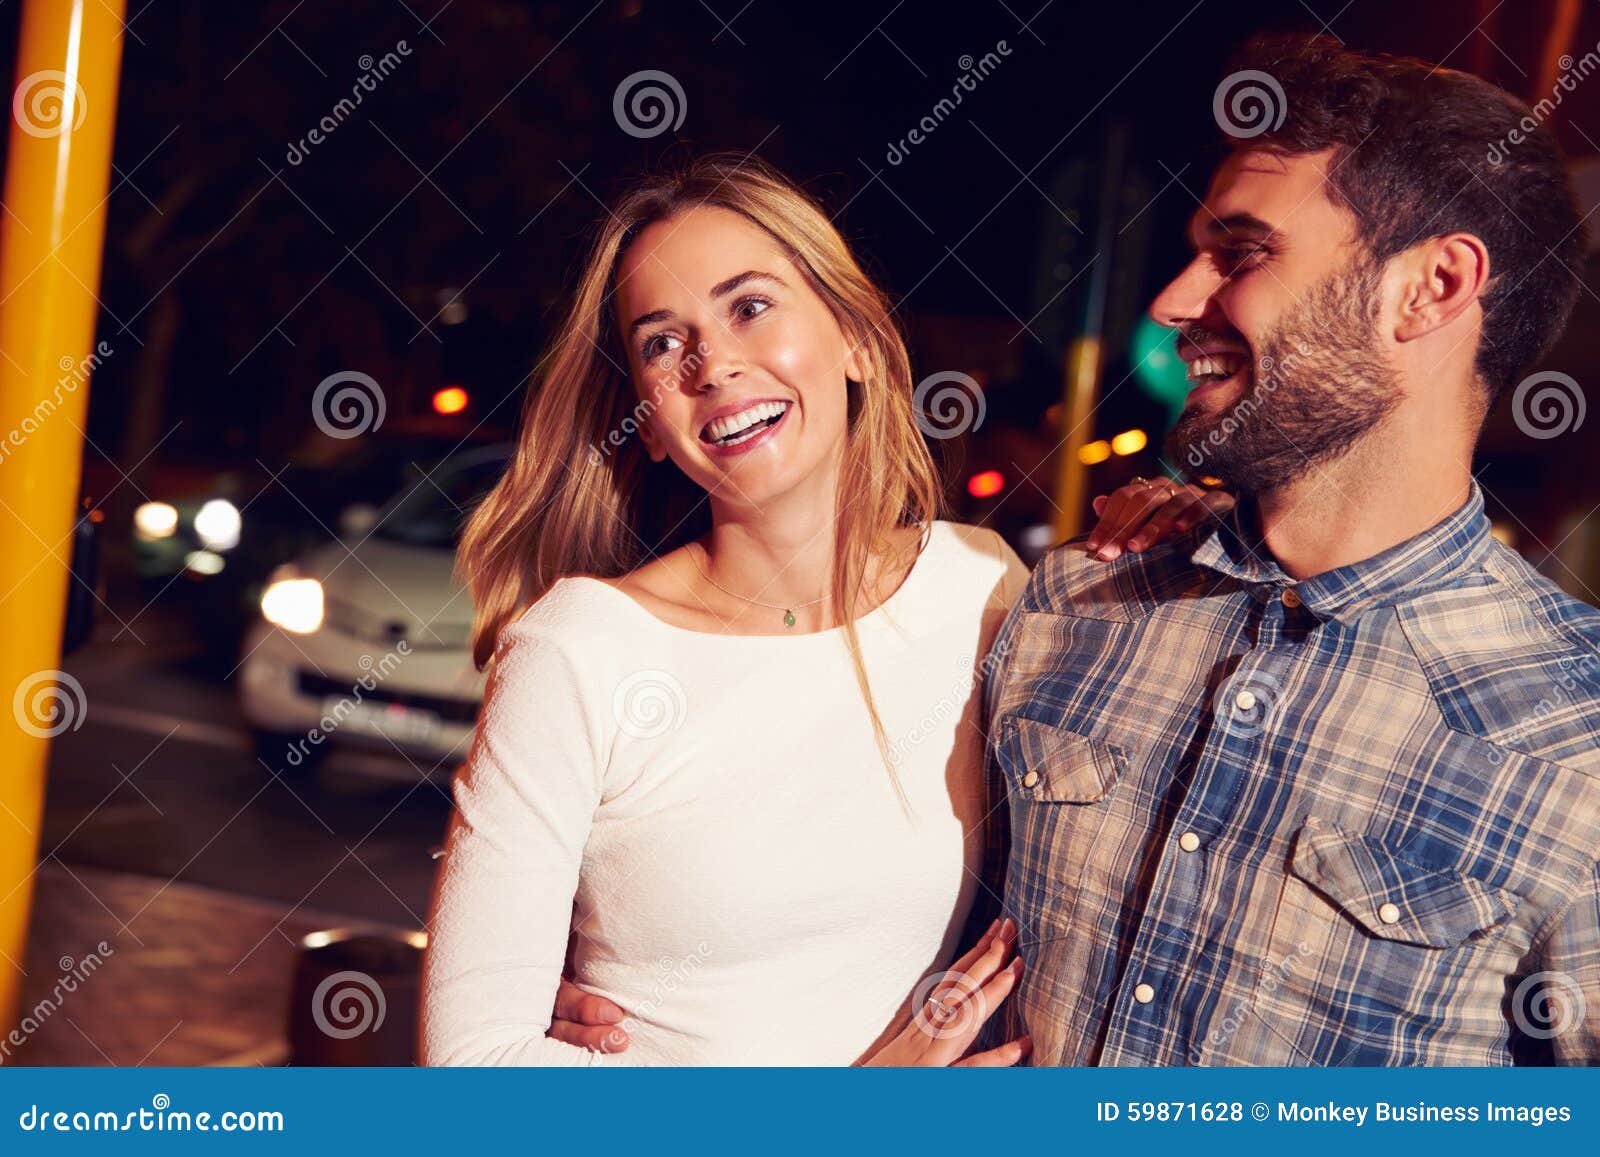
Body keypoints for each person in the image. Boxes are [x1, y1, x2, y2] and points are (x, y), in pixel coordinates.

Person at [419, 154, 1222, 1065]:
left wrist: (1190, 523)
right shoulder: (577, 651)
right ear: (644, 418)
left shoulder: (980, 585)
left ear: (858, 342)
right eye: (660, 341)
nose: (712, 362)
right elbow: (475, 1064)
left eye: (749, 306)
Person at [973, 33, 1600, 1065]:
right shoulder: (1071, 601)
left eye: (1243, 251)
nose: (1174, 301)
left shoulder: (1575, 736)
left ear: (1433, 286)